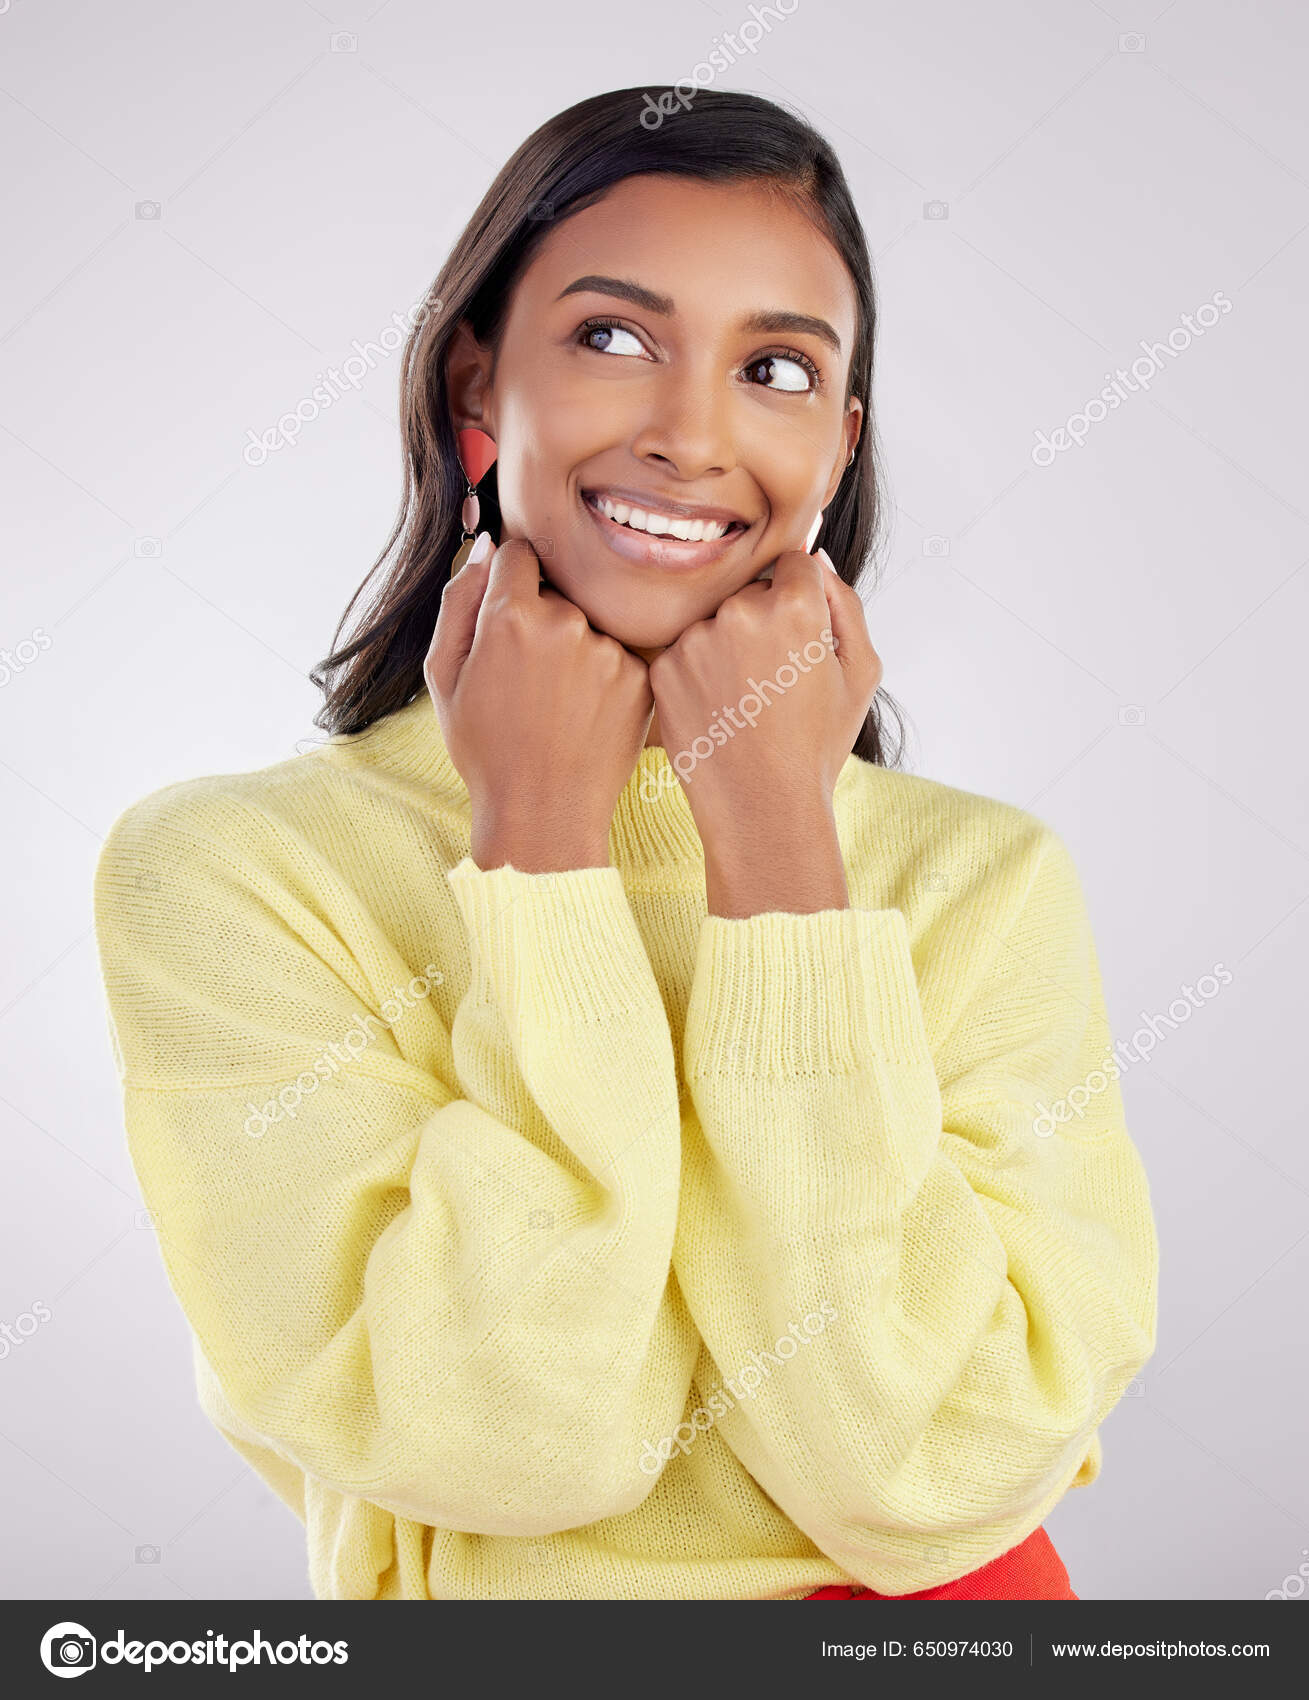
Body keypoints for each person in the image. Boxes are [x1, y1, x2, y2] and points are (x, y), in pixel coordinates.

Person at [92, 87, 1158, 1602]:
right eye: (610, 337)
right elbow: (512, 1445)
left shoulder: (979, 883)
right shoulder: (237, 877)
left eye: (775, 369)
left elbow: (931, 1476)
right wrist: (536, 848)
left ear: (838, 446)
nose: (689, 437)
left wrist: (779, 848)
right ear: (477, 388)